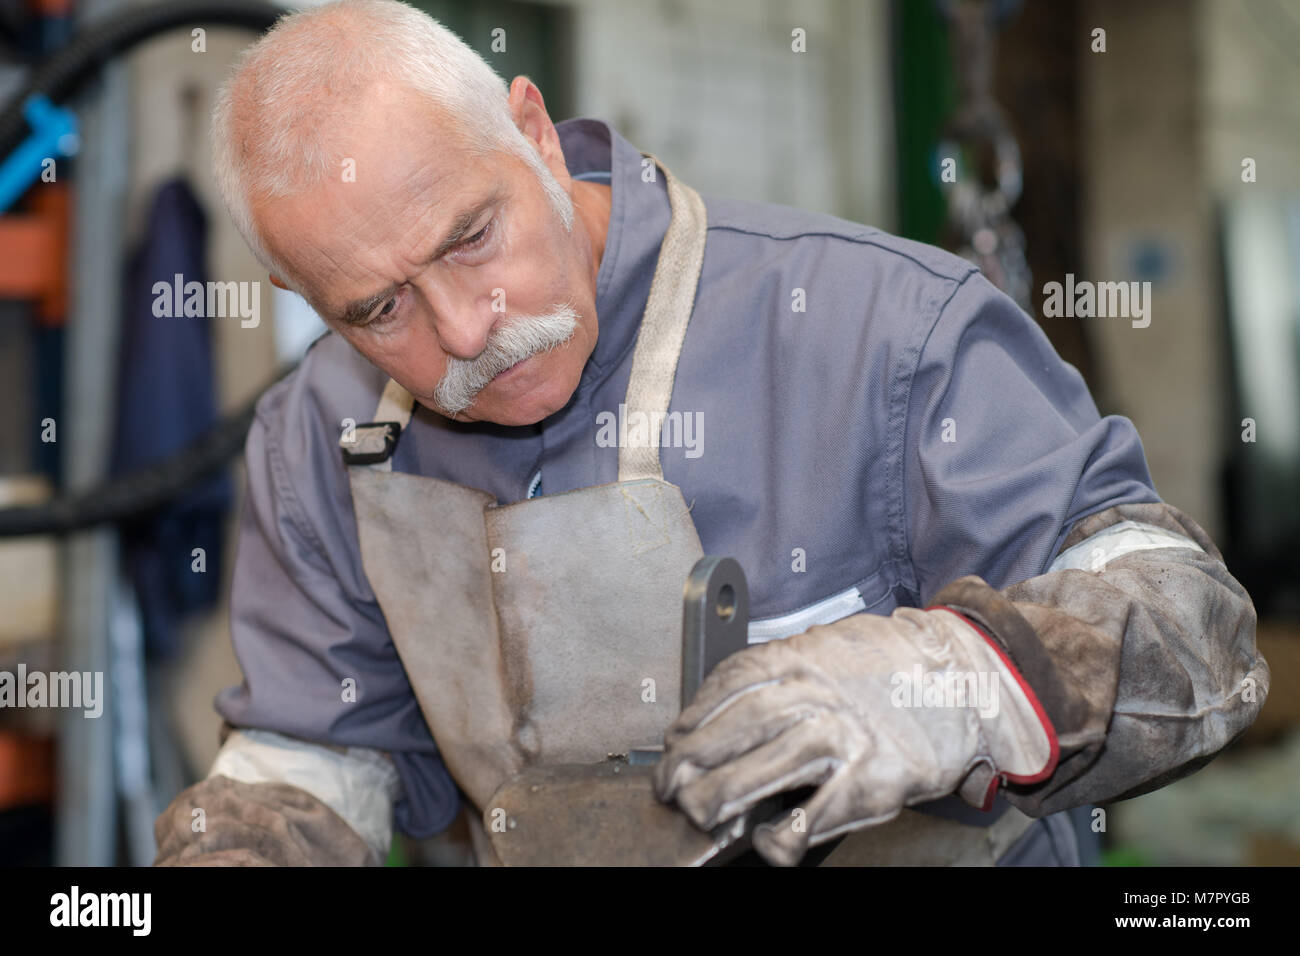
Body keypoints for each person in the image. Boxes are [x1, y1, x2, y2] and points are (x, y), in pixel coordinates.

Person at [153, 0, 1267, 867]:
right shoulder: (318, 434)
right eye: (378, 309)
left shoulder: (876, 328)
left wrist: (957, 680)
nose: (466, 331)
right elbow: (315, 760)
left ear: (533, 132)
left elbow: (1196, 635)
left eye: (471, 238)